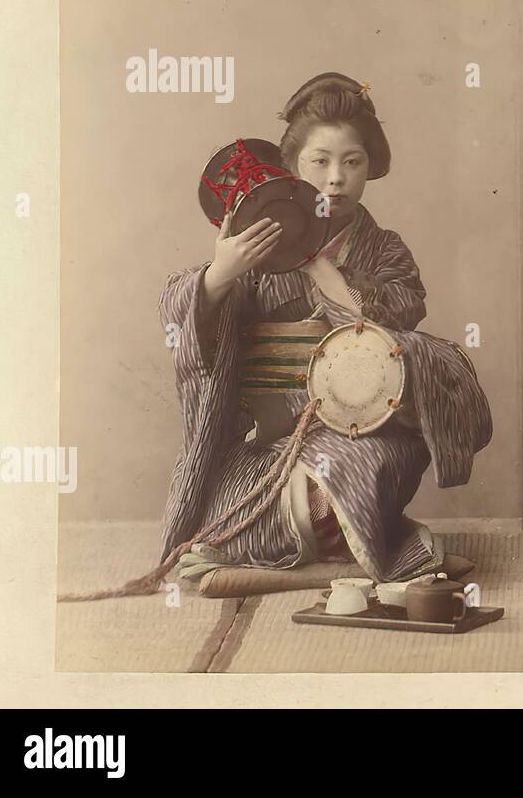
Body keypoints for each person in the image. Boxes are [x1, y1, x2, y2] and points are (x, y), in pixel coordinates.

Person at [158, 73, 492, 586]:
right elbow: (195, 336)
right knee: (221, 519)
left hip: (360, 436)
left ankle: (309, 571)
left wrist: (321, 269)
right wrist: (221, 273)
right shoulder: (258, 249)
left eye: (352, 161)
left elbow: (392, 341)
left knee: (344, 479)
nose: (336, 178)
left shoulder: (386, 251)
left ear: (370, 166)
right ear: (291, 168)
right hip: (270, 445)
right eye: (320, 162)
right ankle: (365, 558)